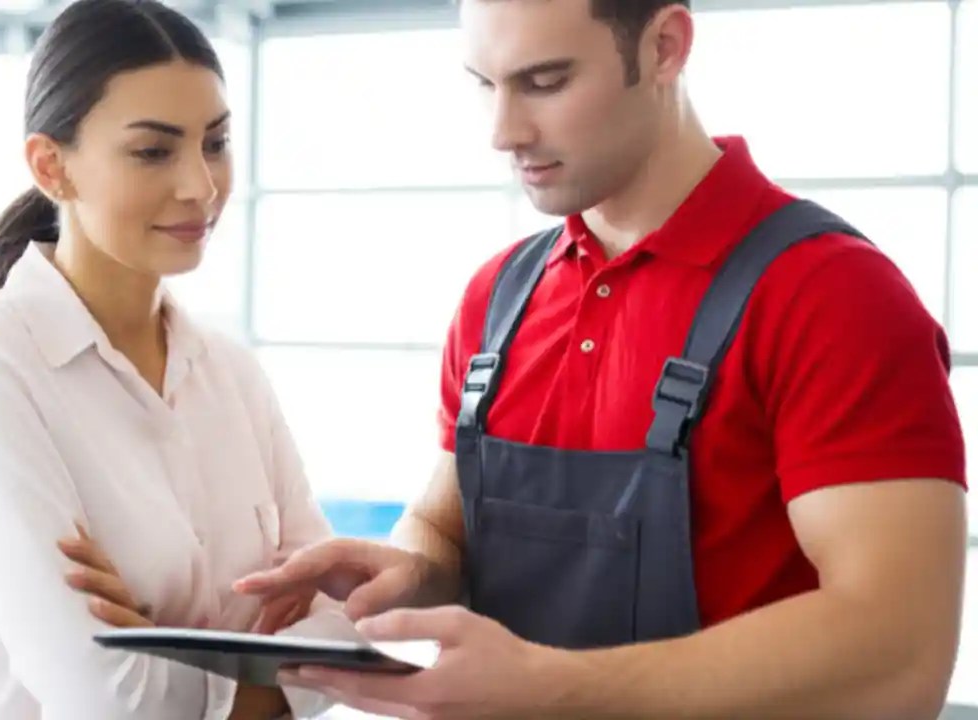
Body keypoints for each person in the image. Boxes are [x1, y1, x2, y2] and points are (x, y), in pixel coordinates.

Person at [227, 0, 970, 717]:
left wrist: (549, 688)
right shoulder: (498, 297)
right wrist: (411, 571)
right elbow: (444, 523)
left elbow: (898, 657)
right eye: (485, 84)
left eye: (545, 82)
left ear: (664, 47)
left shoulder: (831, 296)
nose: (503, 131)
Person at [0, 1, 357, 718]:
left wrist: (163, 645)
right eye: (153, 151)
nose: (201, 185)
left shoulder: (231, 372)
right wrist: (263, 684)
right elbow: (106, 700)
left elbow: (340, 621)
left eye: (214, 143)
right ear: (51, 165)